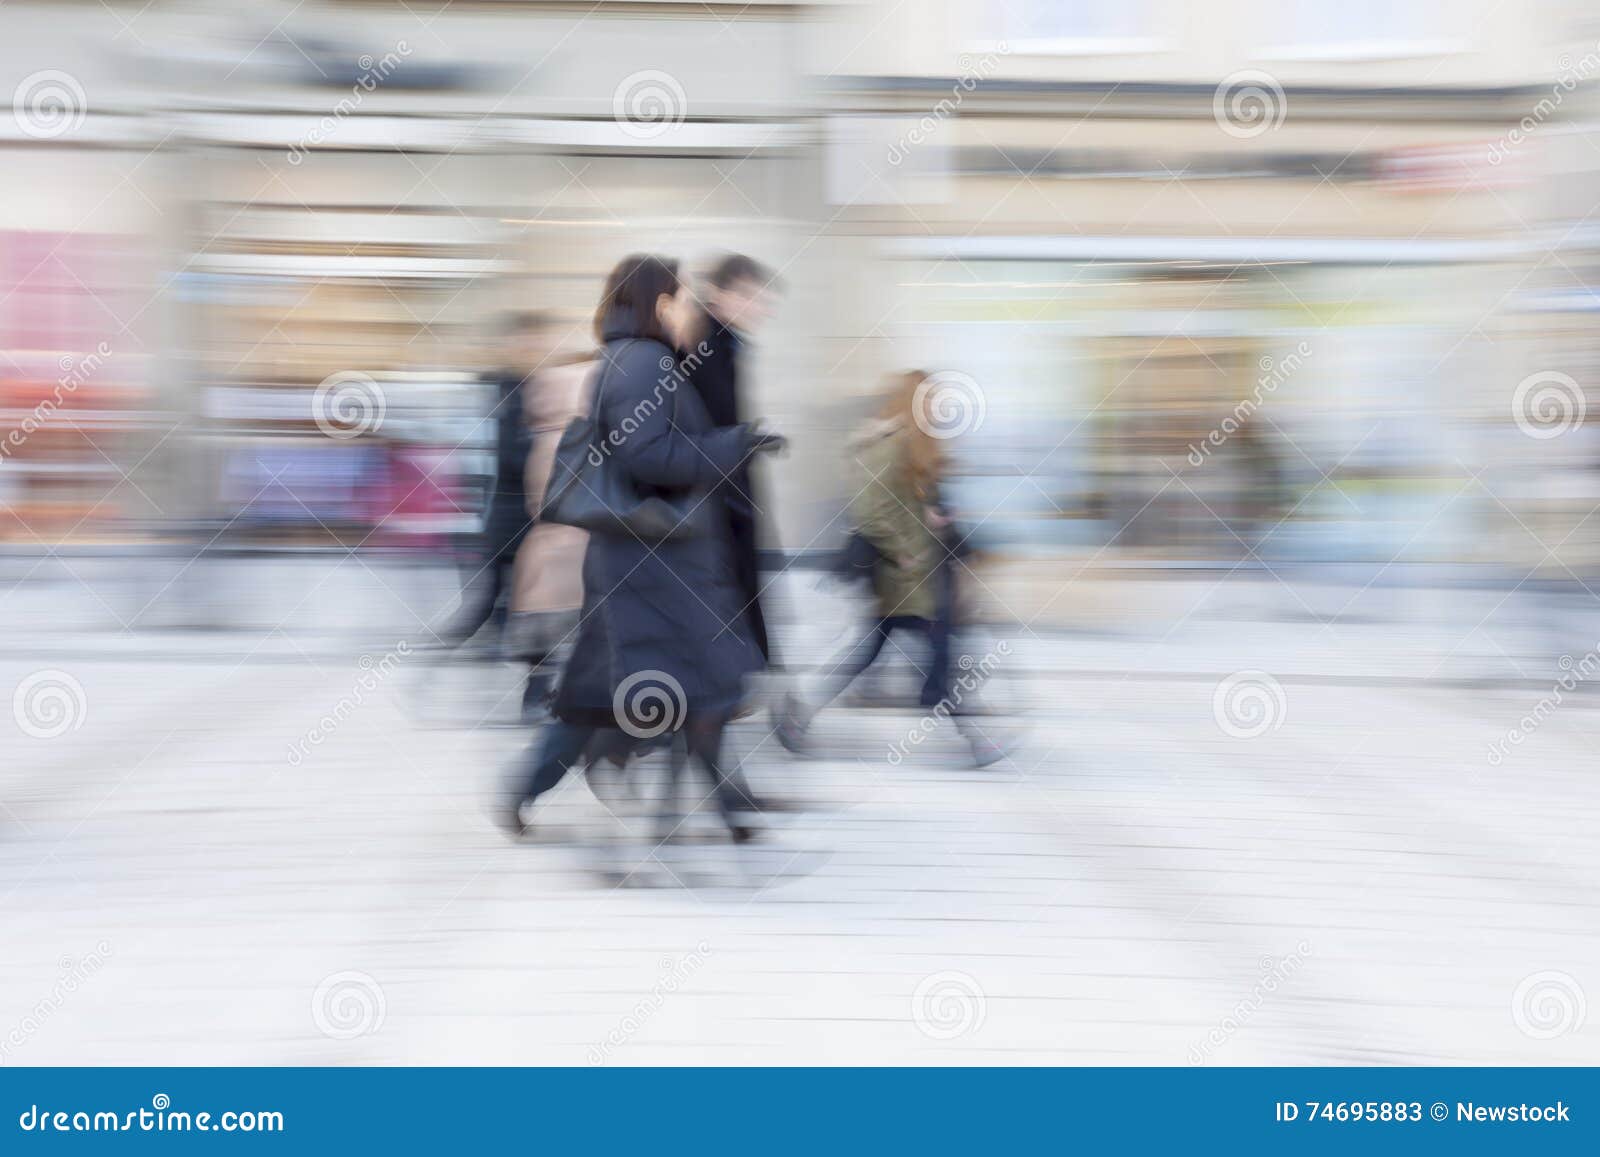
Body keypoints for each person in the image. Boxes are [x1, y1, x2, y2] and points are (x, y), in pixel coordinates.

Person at [501, 255, 785, 842]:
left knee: (612, 693)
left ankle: (537, 785)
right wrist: (735, 445)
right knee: (697, 686)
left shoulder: (636, 359)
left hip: (647, 558)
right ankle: (711, 820)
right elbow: (648, 457)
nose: (690, 310)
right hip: (650, 562)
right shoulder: (644, 362)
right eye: (681, 298)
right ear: (660, 301)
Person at [775, 371, 1006, 767]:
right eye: (930, 401)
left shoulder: (915, 446)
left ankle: (799, 713)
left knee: (874, 652)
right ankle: (973, 736)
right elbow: (871, 509)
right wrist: (904, 552)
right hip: (905, 575)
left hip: (913, 577)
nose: (937, 409)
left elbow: (910, 505)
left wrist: (935, 517)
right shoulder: (893, 444)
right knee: (936, 654)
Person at [684, 253, 781, 663]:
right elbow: (710, 425)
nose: (760, 305)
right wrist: (748, 442)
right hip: (718, 498)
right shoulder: (708, 345)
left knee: (739, 599)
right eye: (749, 295)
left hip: (725, 493)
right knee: (734, 597)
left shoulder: (723, 342)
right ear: (718, 294)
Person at [435, 311, 549, 656]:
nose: (535, 348)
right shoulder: (504, 390)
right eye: (528, 341)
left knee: (516, 602)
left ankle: (530, 679)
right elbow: (509, 454)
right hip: (507, 513)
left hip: (520, 513)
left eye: (538, 341)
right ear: (510, 344)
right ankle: (436, 658)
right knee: (496, 601)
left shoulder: (528, 386)